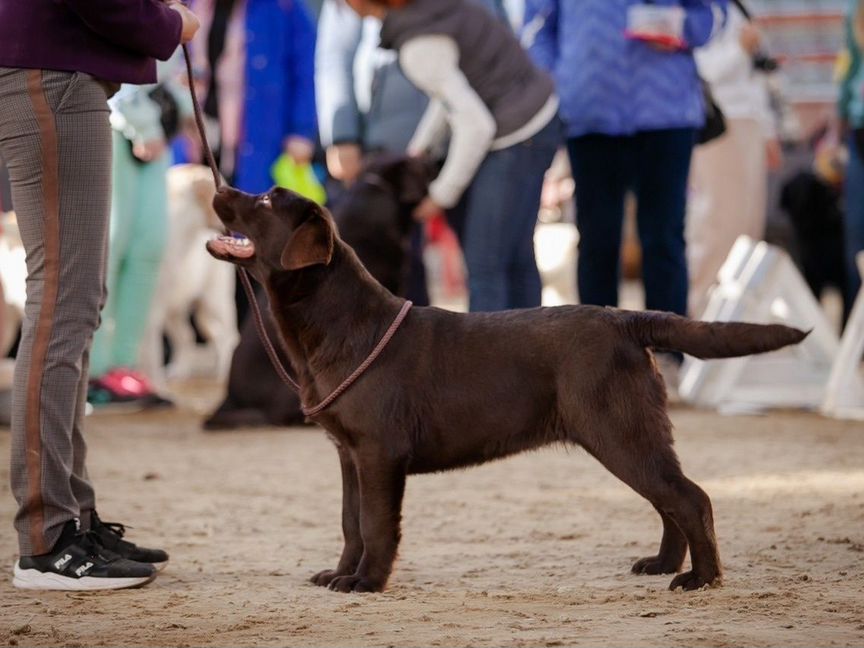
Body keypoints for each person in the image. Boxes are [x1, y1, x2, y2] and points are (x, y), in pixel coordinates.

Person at [0, 0, 199, 590]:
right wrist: (169, 24)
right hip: (51, 78)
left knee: (74, 298)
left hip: (54, 76)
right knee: (64, 298)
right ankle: (47, 541)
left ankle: (72, 521)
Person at [524, 0, 726, 379]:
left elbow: (714, 14)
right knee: (598, 239)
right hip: (589, 114)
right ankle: (601, 359)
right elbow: (536, 30)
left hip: (666, 113)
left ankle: (667, 355)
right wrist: (559, 79)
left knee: (663, 237)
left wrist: (682, 31)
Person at [344, 0, 561, 313]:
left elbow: (476, 124)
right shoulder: (432, 12)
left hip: (516, 133)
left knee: (486, 263)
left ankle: (492, 361)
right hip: (541, 117)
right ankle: (533, 358)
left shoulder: (418, 44)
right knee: (515, 257)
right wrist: (420, 150)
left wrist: (440, 195)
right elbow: (452, 96)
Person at [315, 0, 507, 306]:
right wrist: (342, 134)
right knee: (390, 270)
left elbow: (494, 35)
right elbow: (334, 55)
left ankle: (500, 351)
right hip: (386, 147)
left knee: (487, 260)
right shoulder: (356, 14)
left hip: (469, 136)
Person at [89, 60, 192, 408]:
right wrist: (142, 124)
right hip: (112, 123)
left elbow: (167, 66)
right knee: (109, 248)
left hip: (156, 137)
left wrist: (183, 109)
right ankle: (94, 369)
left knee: (148, 248)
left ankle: (123, 366)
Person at [687, 0, 782, 317]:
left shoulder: (743, 7)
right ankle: (703, 314)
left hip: (749, 123)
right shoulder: (702, 9)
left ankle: (737, 317)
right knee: (718, 225)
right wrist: (740, 49)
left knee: (748, 226)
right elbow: (701, 69)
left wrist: (767, 130)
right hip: (721, 123)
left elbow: (757, 78)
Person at [840, 0, 864, 314]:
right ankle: (857, 331)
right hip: (858, 133)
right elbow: (851, 64)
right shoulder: (854, 9)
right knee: (856, 236)